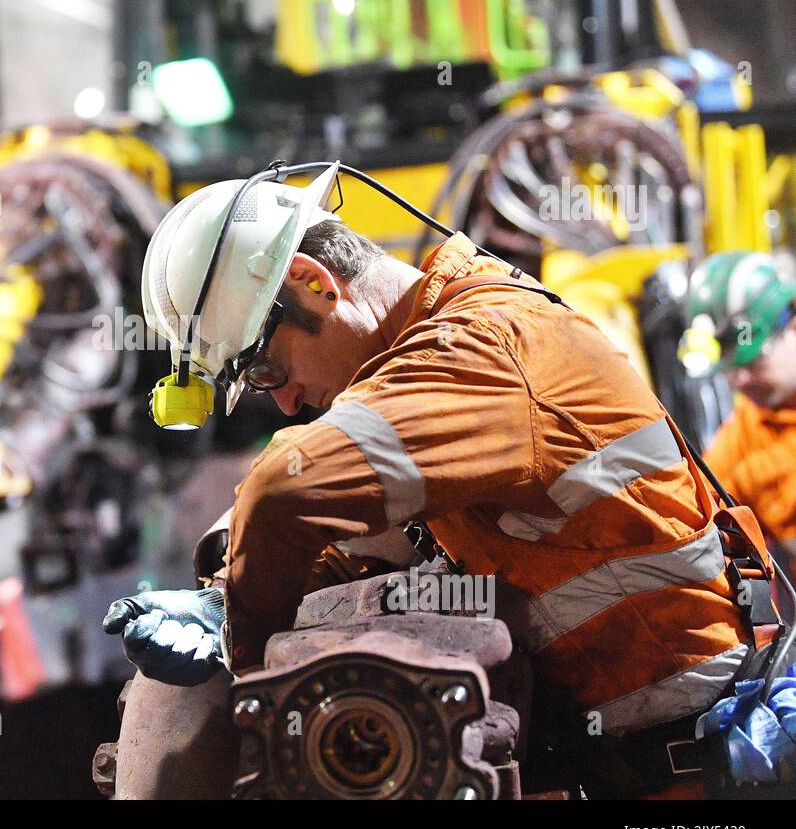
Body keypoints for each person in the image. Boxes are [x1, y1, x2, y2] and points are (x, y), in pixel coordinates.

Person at [103, 166, 772, 794]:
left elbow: (287, 489)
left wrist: (238, 648)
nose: (283, 402)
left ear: (312, 281)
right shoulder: (426, 380)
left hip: (688, 766)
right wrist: (223, 591)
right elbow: (370, 541)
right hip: (619, 757)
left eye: (268, 370)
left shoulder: (485, 347)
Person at [681, 252, 796, 583]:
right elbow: (698, 514)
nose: (738, 381)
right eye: (731, 368)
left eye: (752, 363)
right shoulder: (745, 436)